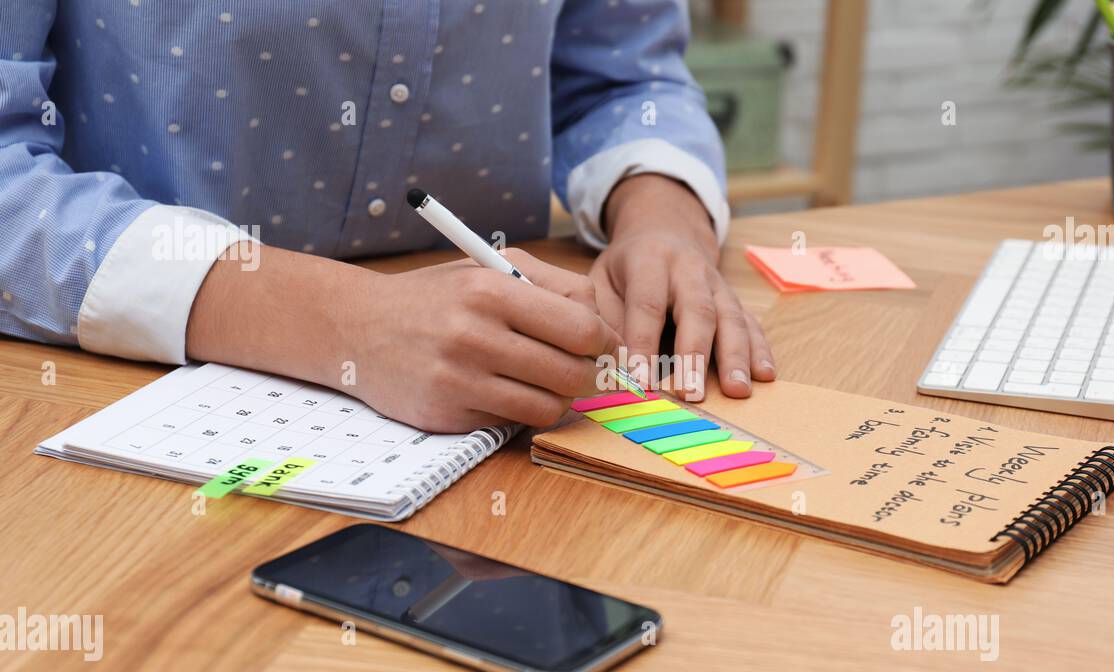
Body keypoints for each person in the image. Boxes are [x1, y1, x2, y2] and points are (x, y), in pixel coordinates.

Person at [0, 1, 775, 433]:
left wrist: (661, 211)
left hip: (504, 434)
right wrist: (350, 326)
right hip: (105, 410)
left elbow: (623, 76)